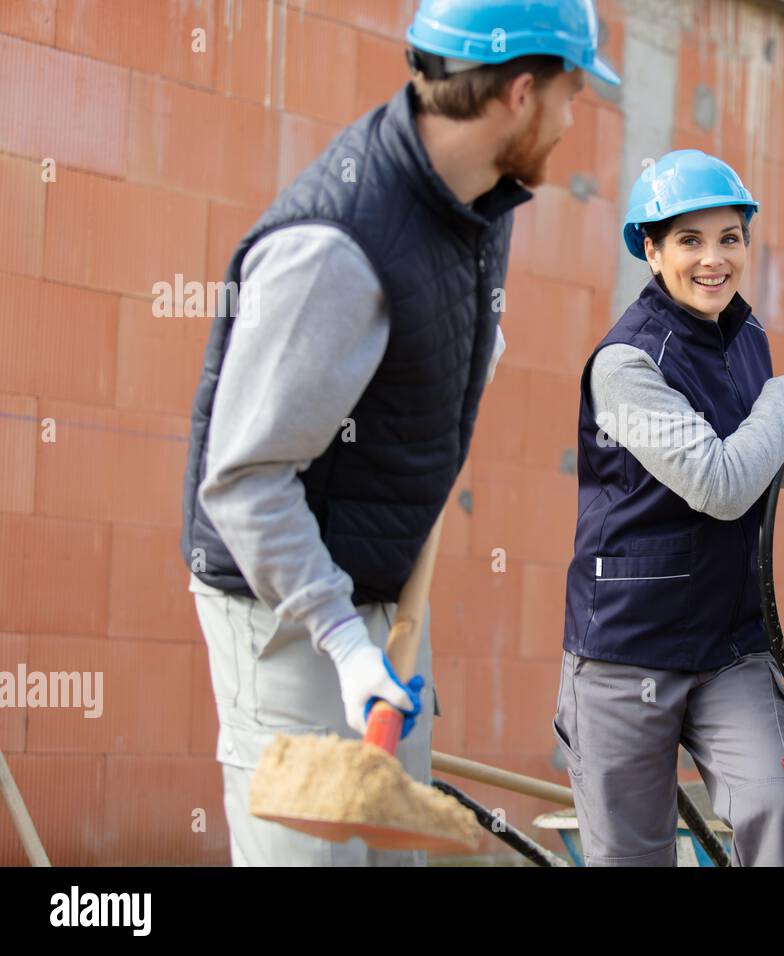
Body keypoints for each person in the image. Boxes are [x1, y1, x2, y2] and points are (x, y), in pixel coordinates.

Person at [180, 0, 619, 866]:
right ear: (521, 94)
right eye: (572, 95)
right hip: (289, 612)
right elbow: (243, 481)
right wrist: (343, 645)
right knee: (317, 858)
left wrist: (456, 356)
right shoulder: (333, 250)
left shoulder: (475, 197)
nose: (574, 122)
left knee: (395, 851)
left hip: (380, 596)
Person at [552, 149, 784, 866]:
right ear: (651, 252)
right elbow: (721, 485)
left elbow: (773, 457)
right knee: (634, 857)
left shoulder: (746, 342)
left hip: (729, 649)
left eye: (729, 238)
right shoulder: (627, 367)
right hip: (625, 653)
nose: (712, 259)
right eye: (688, 240)